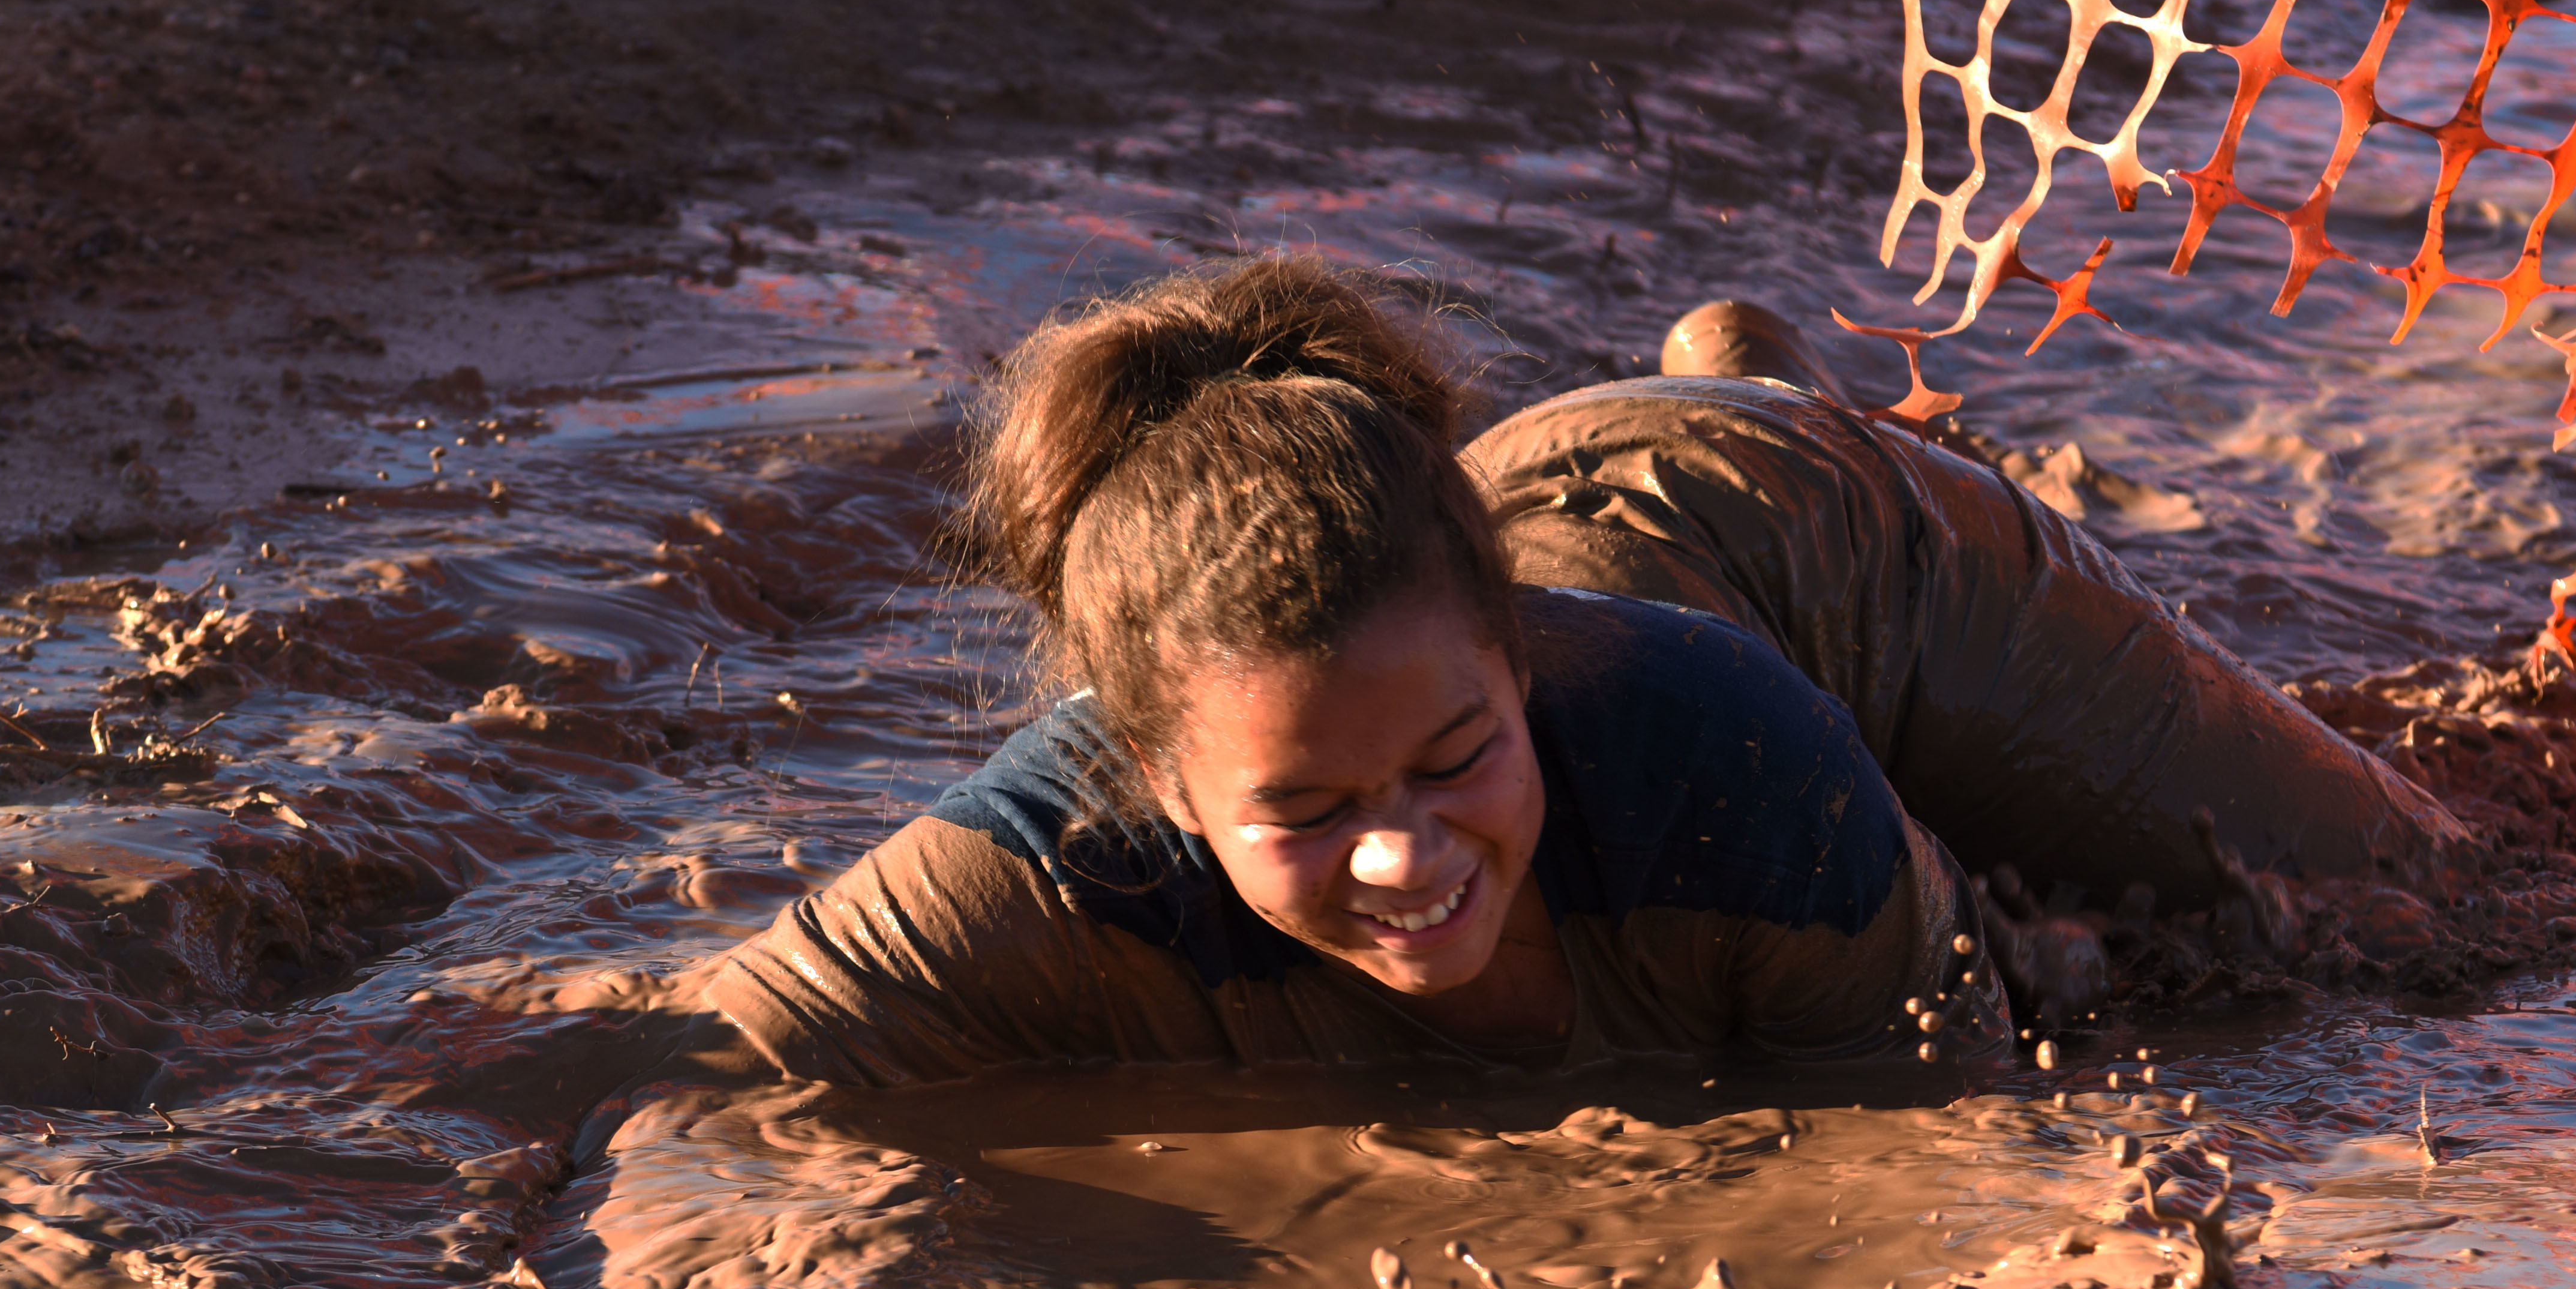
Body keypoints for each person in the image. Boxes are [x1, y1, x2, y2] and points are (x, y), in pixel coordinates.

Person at [674, 256, 2460, 1089]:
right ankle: (1729, 368)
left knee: (2416, 900)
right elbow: (702, 1060)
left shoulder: (1734, 769)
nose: (1400, 852)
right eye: (1302, 807)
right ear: (1151, 785)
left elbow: (1947, 1134)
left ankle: (1763, 394)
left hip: (1819, 549)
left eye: (1452, 758)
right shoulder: (1054, 847)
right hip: (1502, 563)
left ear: (1520, 672)